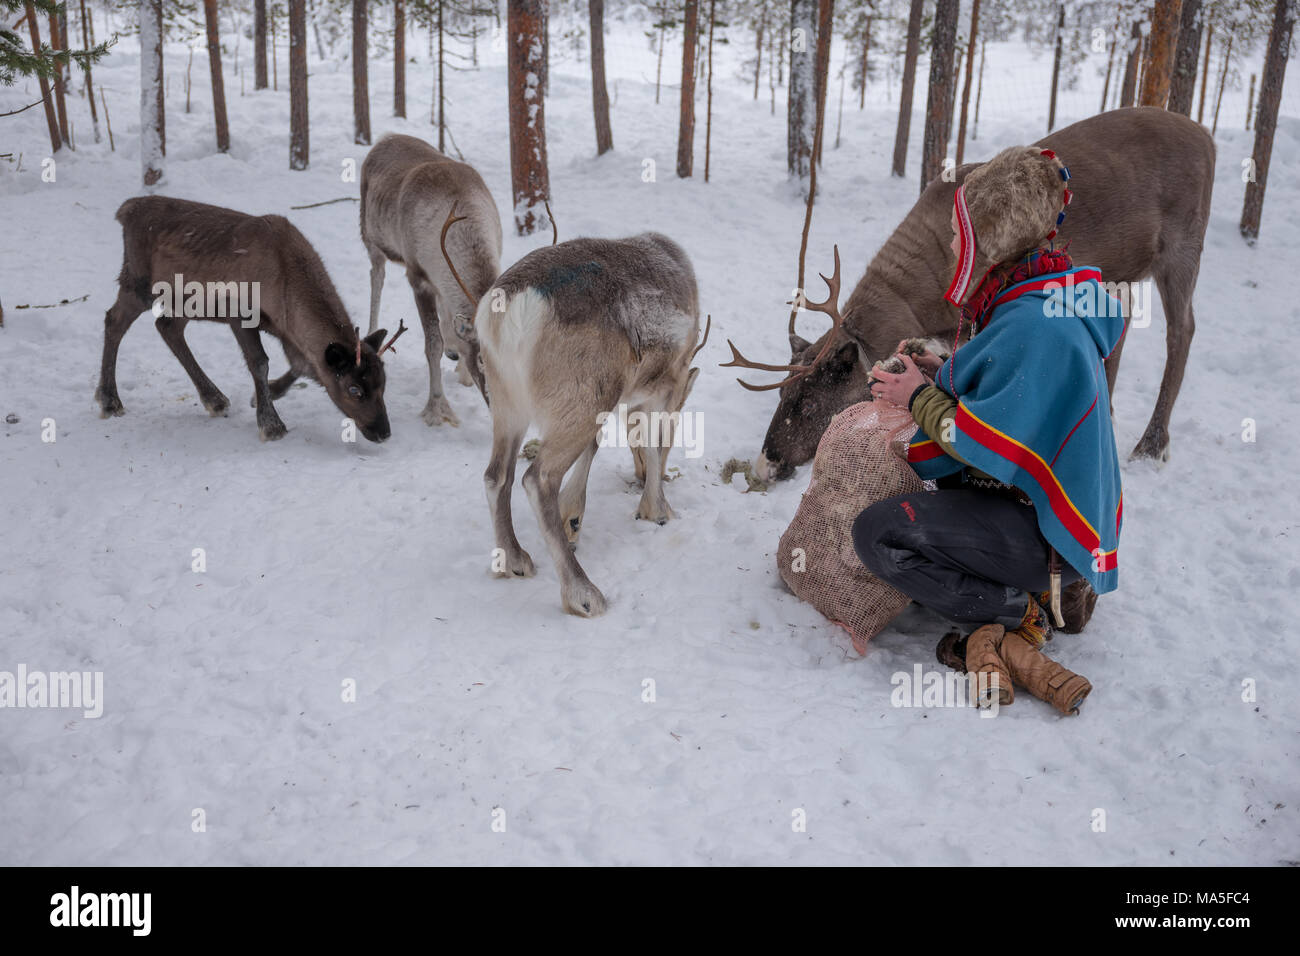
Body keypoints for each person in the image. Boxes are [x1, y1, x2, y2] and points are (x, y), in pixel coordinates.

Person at [852, 145, 1125, 715]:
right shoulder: (1047, 293)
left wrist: (918, 396)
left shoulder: (1031, 324)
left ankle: (1016, 608)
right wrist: (941, 372)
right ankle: (1046, 591)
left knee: (878, 534)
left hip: (1039, 533)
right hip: (1061, 522)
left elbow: (976, 447)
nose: (953, 245)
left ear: (991, 237)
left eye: (960, 232)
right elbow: (1009, 390)